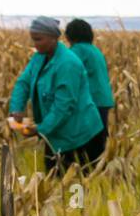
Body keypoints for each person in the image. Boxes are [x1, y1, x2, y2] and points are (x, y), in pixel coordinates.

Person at [8, 16, 105, 174]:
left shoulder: (68, 63)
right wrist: (17, 108)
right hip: (57, 133)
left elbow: (64, 106)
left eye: (39, 39)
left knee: (82, 185)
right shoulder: (39, 57)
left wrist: (40, 129)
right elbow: (23, 82)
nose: (35, 44)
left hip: (81, 135)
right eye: (33, 39)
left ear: (54, 37)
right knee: (54, 182)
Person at [64, 18, 114, 160]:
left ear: (69, 36)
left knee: (85, 145)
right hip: (103, 100)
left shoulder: (77, 50)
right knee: (99, 142)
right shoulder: (95, 51)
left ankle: (86, 174)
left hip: (89, 102)